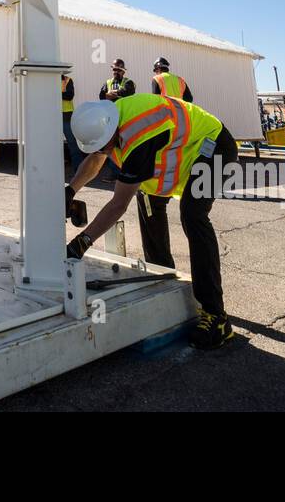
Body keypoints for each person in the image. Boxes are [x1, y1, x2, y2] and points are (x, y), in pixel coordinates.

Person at [66, 95, 239, 349]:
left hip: (215, 148)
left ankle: (216, 316)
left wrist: (82, 242)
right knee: (148, 203)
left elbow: (117, 204)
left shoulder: (141, 134)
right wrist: (71, 190)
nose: (103, 151)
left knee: (193, 214)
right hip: (181, 156)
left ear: (112, 129)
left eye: (103, 146)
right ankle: (164, 280)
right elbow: (96, 158)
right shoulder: (110, 117)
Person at [60, 73, 80, 170]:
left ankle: (78, 166)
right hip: (52, 114)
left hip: (66, 114)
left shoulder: (67, 80)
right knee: (52, 141)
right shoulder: (48, 79)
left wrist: (55, 93)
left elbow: (69, 96)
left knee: (71, 141)